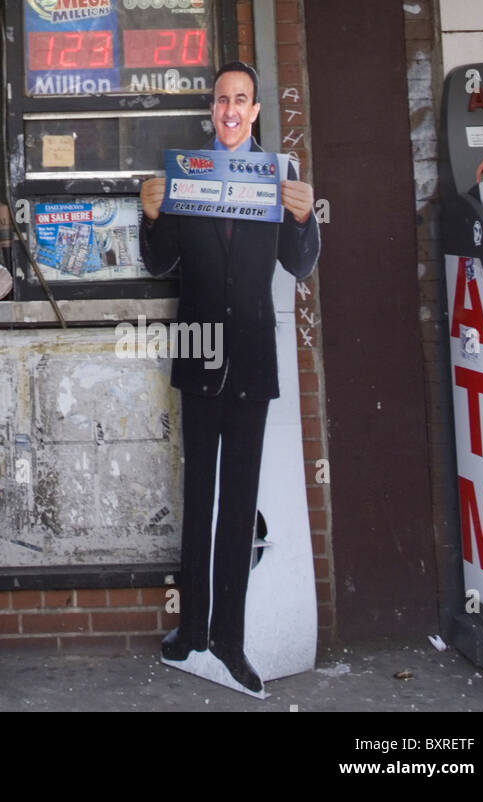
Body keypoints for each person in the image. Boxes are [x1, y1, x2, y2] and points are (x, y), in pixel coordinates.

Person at [138, 61, 319, 694]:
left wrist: (302, 219)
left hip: (250, 360)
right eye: (222, 100)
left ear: (256, 111)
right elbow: (161, 262)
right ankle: (191, 634)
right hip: (198, 354)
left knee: (239, 507)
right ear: (212, 111)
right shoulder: (187, 173)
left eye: (241, 99)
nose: (231, 109)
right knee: (199, 503)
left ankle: (231, 641)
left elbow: (298, 266)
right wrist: (152, 215)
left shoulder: (280, 176)